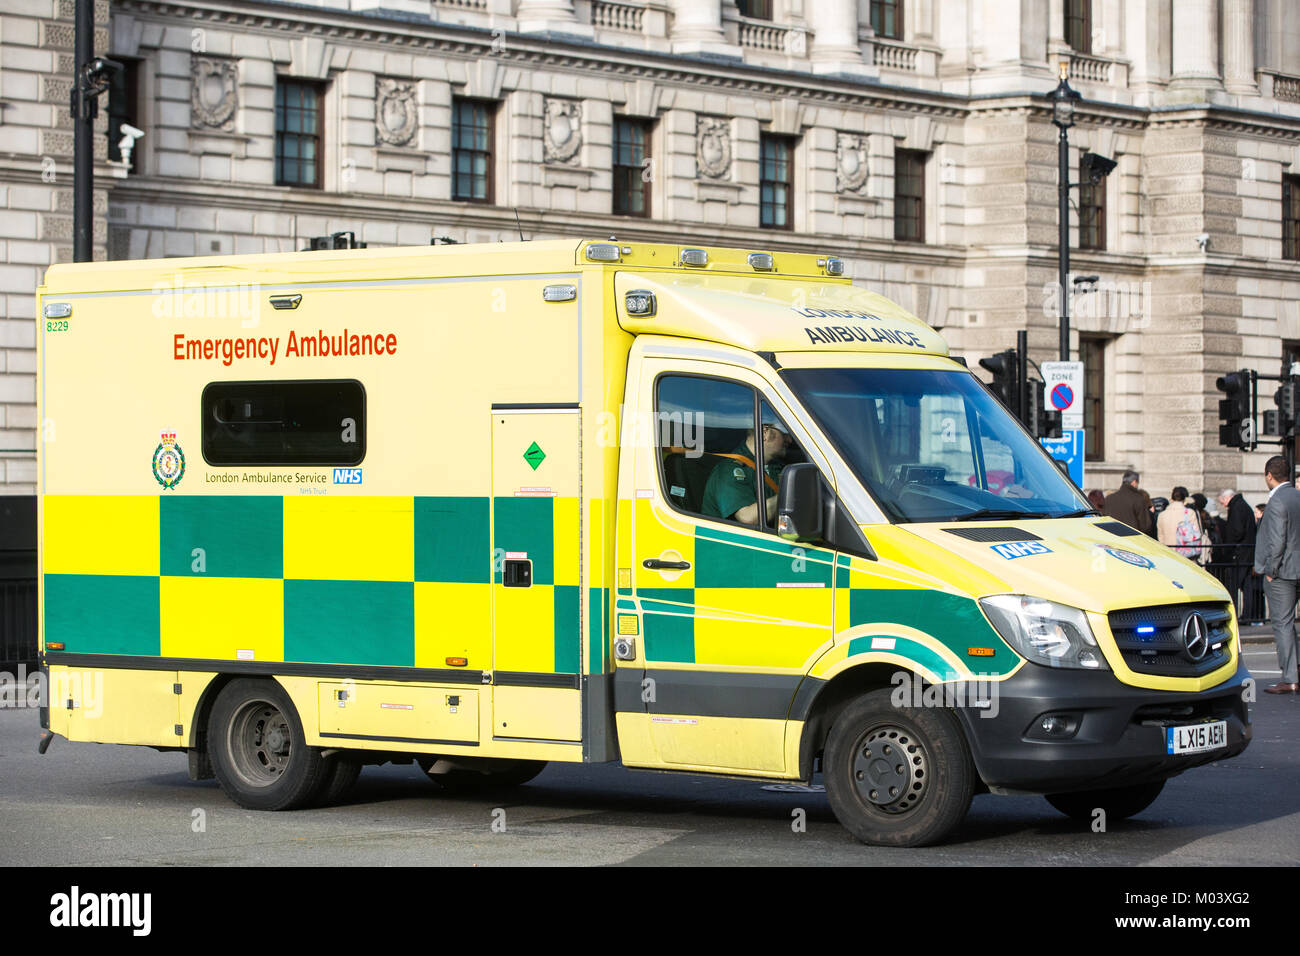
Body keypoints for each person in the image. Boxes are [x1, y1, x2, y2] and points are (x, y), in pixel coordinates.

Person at [1252, 455, 1300, 693]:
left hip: (1282, 572)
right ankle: (1296, 672)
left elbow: (1277, 540)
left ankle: (1290, 678)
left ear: (1269, 476)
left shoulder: (1277, 500)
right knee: (1289, 625)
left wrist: (1270, 569)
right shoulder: (1297, 496)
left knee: (1283, 624)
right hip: (1296, 567)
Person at [701, 413, 792, 525]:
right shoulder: (729, 469)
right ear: (764, 433)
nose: (790, 439)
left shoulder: (778, 468)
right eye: (785, 433)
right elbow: (747, 517)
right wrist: (791, 494)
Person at [1217, 487, 1258, 614]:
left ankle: (1233, 613)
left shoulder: (1237, 508)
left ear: (1227, 498)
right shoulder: (1243, 506)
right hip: (1247, 551)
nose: (1223, 505)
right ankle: (1248, 614)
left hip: (1239, 552)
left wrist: (1230, 545)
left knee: (1233, 584)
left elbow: (1237, 531)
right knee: (1246, 585)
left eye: (1222, 502)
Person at [1157, 487, 1204, 562]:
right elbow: (1196, 534)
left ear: (1171, 499)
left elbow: (1160, 536)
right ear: (1184, 499)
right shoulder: (1190, 513)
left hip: (1168, 553)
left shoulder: (1162, 515)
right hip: (1186, 553)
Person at [1102, 470, 1153, 534]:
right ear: (1134, 482)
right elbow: (1145, 526)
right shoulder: (1138, 499)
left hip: (1112, 538)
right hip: (1131, 539)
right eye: (1137, 483)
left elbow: (1104, 520)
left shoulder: (1109, 498)